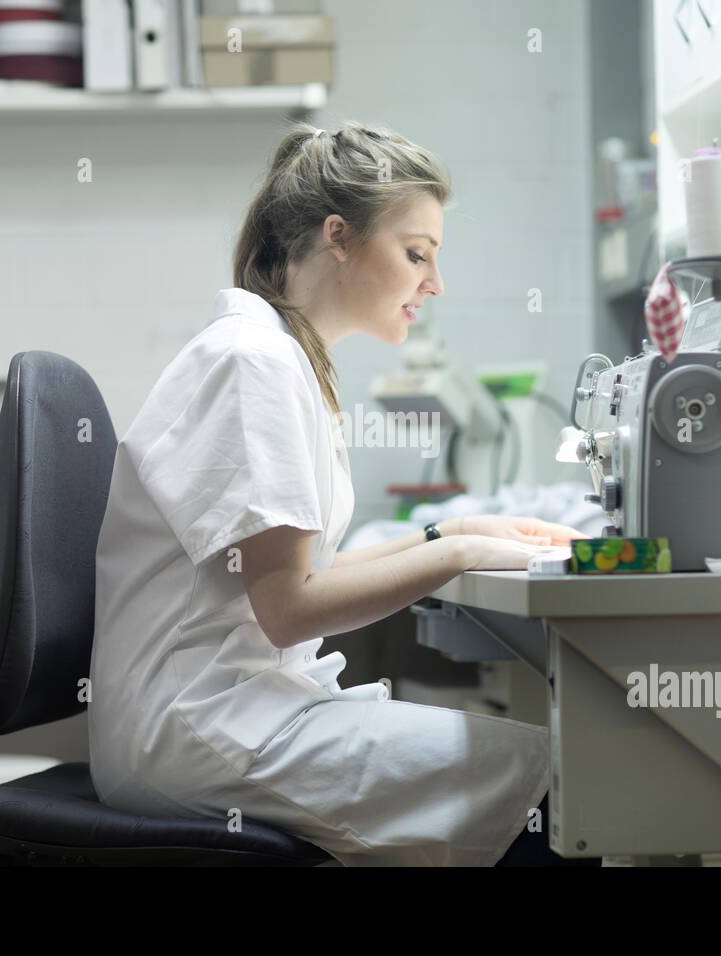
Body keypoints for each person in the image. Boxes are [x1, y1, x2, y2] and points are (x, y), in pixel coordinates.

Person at [88, 120, 592, 866]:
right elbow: (289, 608)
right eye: (416, 254)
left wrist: (453, 534)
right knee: (566, 782)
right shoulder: (252, 362)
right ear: (339, 237)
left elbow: (297, 580)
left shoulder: (280, 358)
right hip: (198, 726)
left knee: (549, 772)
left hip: (223, 709)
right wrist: (455, 554)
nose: (435, 283)